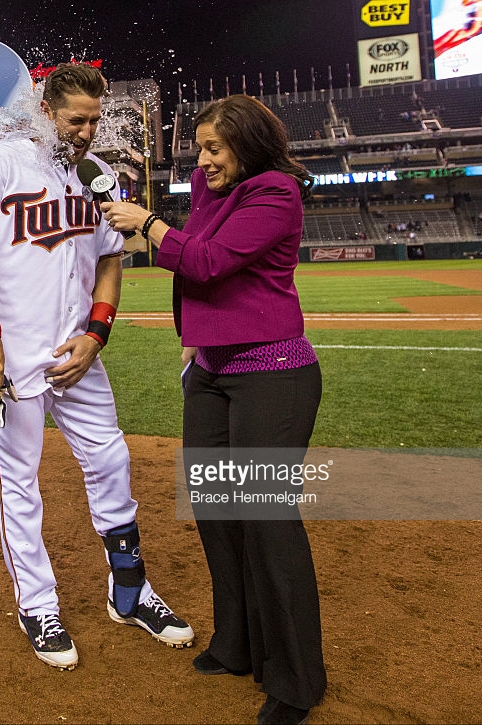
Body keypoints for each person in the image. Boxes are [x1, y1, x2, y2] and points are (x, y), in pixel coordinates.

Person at [0, 63, 194, 671]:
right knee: (20, 484)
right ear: (45, 109)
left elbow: (112, 259)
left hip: (77, 352)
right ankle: (37, 603)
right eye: (75, 119)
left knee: (111, 459)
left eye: (94, 119)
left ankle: (130, 590)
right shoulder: (0, 161)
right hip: (12, 351)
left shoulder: (99, 175)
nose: (86, 131)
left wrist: (98, 333)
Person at [102, 94, 325, 725]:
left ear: (248, 145)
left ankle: (296, 680)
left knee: (266, 523)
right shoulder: (210, 186)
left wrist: (147, 223)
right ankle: (237, 646)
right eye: (198, 146)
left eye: (214, 148)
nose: (201, 160)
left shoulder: (276, 192)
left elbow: (206, 261)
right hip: (210, 372)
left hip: (272, 376)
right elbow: (197, 247)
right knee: (217, 516)